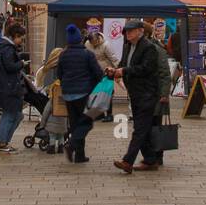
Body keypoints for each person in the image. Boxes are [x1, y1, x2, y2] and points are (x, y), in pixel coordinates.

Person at [113, 19, 168, 174]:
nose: (127, 34)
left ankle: (127, 161)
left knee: (140, 129)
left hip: (147, 94)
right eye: (126, 31)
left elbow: (145, 69)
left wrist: (124, 71)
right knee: (143, 129)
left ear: (140, 31)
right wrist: (115, 71)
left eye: (131, 31)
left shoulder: (149, 47)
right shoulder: (127, 46)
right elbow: (123, 64)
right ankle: (151, 160)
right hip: (135, 93)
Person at [54, 25, 107, 163]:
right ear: (80, 40)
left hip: (68, 94)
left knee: (75, 124)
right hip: (84, 93)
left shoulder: (63, 55)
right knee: (87, 123)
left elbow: (59, 74)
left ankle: (79, 155)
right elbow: (98, 73)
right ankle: (72, 146)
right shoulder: (87, 54)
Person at [0, 22, 27, 154]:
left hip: (5, 86)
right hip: (8, 87)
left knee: (17, 115)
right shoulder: (8, 49)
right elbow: (10, 67)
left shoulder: (2, 47)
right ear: (15, 36)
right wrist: (21, 63)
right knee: (10, 114)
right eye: (21, 38)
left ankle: (4, 142)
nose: (21, 41)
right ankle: (3, 143)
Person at [86, 31, 119, 122]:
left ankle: (109, 114)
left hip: (107, 72)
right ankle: (99, 114)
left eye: (95, 42)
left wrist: (116, 71)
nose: (94, 44)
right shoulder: (87, 44)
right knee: (95, 93)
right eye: (92, 42)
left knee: (107, 94)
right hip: (94, 72)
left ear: (98, 38)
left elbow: (113, 58)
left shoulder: (106, 45)